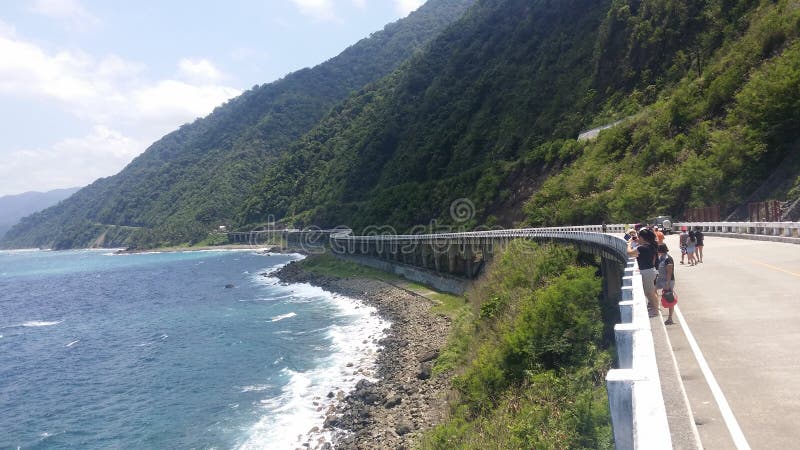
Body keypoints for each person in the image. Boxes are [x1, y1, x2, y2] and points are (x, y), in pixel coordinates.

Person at [627, 227, 660, 317]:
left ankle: (655, 311)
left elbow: (629, 252)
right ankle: (655, 309)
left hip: (647, 272)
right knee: (650, 292)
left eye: (639, 237)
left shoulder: (642, 248)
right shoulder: (651, 246)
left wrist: (629, 243)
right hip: (650, 270)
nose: (638, 239)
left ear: (642, 238)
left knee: (650, 293)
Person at [656, 244, 676, 325]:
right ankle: (656, 306)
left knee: (669, 298)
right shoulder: (661, 257)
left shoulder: (668, 259)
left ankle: (670, 318)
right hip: (661, 279)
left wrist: (667, 283)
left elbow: (669, 272)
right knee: (652, 290)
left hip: (668, 281)